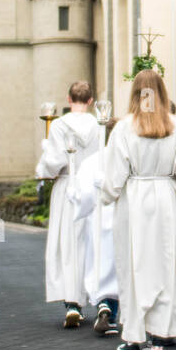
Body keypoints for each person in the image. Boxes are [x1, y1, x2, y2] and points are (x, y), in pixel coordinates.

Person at [101, 70, 176, 350]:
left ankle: (136, 337)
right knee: (166, 265)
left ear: (135, 94)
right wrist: (172, 181)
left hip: (135, 199)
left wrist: (107, 196)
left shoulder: (123, 128)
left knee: (135, 266)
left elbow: (114, 175)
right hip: (165, 199)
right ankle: (160, 339)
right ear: (162, 92)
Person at [36, 81, 100, 328]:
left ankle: (72, 303)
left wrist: (44, 160)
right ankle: (96, 298)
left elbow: (54, 162)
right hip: (91, 189)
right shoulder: (98, 125)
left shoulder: (60, 125)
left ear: (68, 98)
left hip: (67, 187)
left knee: (67, 243)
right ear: (91, 100)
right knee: (90, 243)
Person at [67, 117, 121, 336]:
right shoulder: (123, 159)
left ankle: (103, 303)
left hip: (98, 220)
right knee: (118, 267)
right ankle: (114, 310)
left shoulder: (91, 162)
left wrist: (74, 195)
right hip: (120, 217)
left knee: (99, 262)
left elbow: (85, 196)